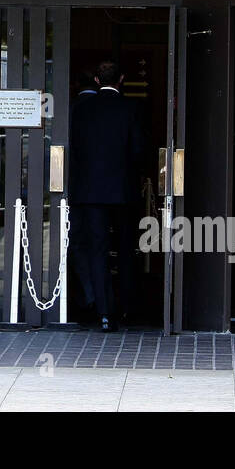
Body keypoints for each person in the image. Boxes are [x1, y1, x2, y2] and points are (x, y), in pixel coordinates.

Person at [68, 61, 148, 332]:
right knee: (126, 250)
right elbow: (138, 151)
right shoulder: (131, 108)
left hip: (90, 192)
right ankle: (127, 308)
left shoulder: (81, 109)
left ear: (97, 79)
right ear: (122, 79)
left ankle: (104, 313)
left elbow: (75, 150)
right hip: (123, 191)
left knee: (97, 251)